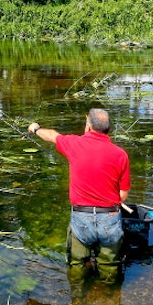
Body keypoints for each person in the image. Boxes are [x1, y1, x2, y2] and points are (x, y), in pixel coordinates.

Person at [28, 108, 130, 284]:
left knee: (77, 264)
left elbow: (52, 135)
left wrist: (36, 129)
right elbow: (123, 196)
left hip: (81, 219)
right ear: (108, 129)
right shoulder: (121, 154)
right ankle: (110, 303)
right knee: (110, 266)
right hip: (110, 219)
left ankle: (78, 303)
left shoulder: (74, 144)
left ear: (89, 127)